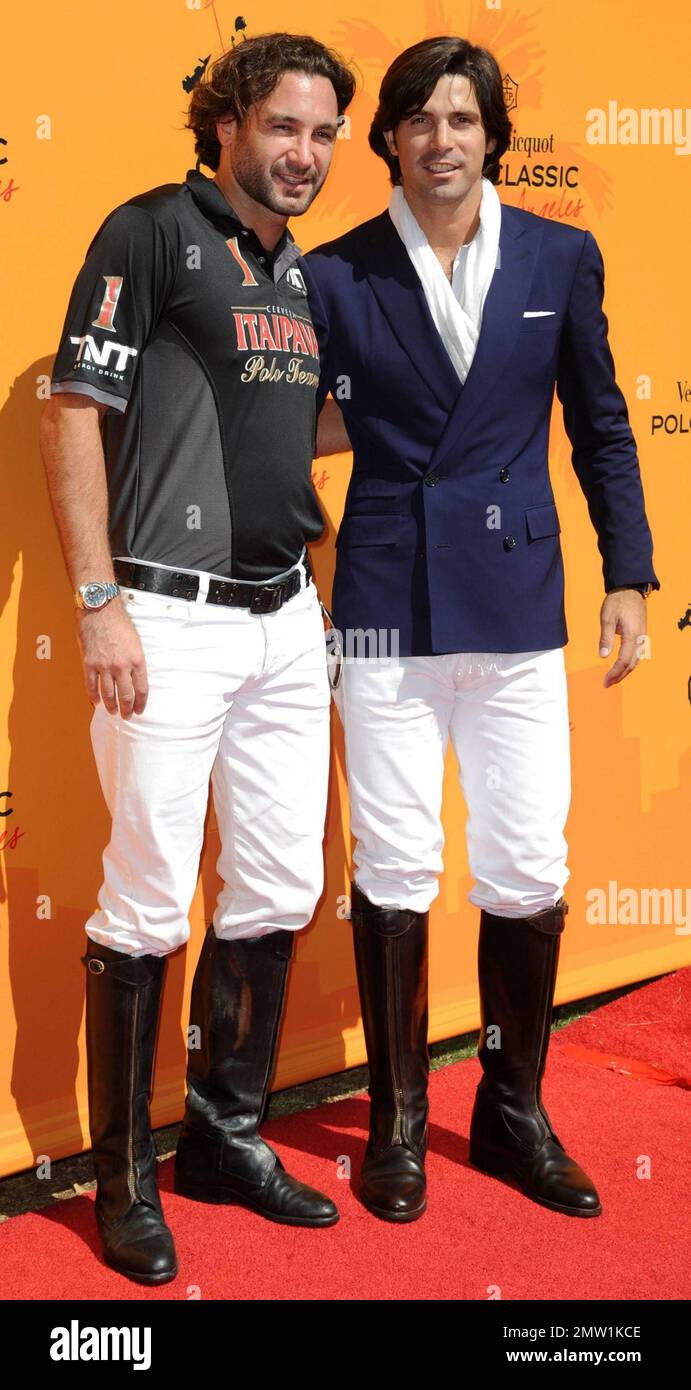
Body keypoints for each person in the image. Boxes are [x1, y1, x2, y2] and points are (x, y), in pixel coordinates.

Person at [301, 35, 659, 1224]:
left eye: (463, 117)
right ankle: (399, 1122)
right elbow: (288, 436)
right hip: (385, 603)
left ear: (492, 134)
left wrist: (629, 574)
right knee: (394, 862)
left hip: (515, 602)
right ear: (389, 140)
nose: (442, 138)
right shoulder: (337, 274)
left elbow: (603, 427)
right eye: (419, 119)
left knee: (526, 862)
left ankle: (511, 1108)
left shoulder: (562, 253)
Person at [39, 32, 356, 1285]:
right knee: (147, 896)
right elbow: (75, 410)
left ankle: (224, 1138)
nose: (306, 155)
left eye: (326, 134)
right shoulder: (148, 230)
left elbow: (299, 424)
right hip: (163, 616)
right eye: (285, 127)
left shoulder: (302, 277)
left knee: (277, 885)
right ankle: (121, 1178)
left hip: (286, 616)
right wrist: (98, 601)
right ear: (224, 121)